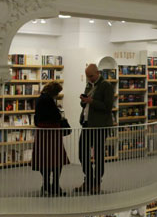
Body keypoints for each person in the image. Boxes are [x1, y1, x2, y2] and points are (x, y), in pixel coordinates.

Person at [76, 64, 113, 195]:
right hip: (87, 123)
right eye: (87, 76)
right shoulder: (88, 85)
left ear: (97, 73)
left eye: (91, 76)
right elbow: (84, 104)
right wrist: (84, 100)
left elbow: (108, 106)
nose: (89, 78)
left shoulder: (106, 86)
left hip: (99, 126)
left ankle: (96, 182)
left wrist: (92, 102)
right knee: (82, 154)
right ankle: (89, 180)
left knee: (98, 155)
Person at [32, 81, 68, 197]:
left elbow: (36, 118)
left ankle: (46, 183)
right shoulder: (49, 100)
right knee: (57, 160)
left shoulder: (39, 99)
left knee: (44, 159)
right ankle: (55, 185)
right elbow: (56, 116)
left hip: (42, 133)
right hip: (52, 133)